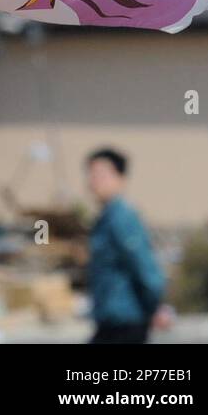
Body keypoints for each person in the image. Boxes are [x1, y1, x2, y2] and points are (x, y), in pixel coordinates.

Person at [84, 147, 172, 343]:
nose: (94, 181)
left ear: (120, 178)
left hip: (126, 322)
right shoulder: (104, 219)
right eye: (91, 174)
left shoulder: (122, 218)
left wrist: (156, 305)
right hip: (109, 320)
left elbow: (143, 264)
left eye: (101, 175)